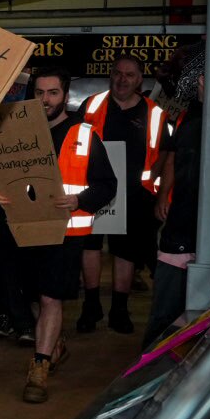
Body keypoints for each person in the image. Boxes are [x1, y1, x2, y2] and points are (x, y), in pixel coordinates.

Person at [0, 67, 117, 404]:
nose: (45, 99)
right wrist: (2, 195)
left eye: (52, 93)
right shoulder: (18, 132)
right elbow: (3, 179)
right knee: (34, 296)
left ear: (65, 95)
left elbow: (108, 185)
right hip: (26, 228)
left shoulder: (83, 135)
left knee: (51, 297)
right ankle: (53, 343)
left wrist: (80, 200)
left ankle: (39, 366)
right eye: (39, 92)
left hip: (66, 232)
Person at [75, 56, 168, 334]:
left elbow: (166, 153)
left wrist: (157, 192)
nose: (122, 79)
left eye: (129, 75)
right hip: (93, 191)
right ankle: (91, 306)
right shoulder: (91, 105)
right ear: (110, 75)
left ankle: (119, 310)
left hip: (135, 196)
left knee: (125, 253)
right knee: (89, 248)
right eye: (117, 73)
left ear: (140, 79)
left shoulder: (154, 113)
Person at [144, 49, 205, 348]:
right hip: (180, 226)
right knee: (165, 308)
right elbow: (172, 158)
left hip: (197, 227)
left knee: (179, 310)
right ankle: (149, 366)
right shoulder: (189, 116)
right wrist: (163, 195)